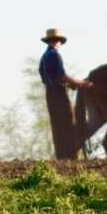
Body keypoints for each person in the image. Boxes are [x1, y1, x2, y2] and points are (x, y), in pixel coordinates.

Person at [38, 28, 90, 159]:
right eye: (59, 41)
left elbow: (48, 78)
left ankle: (62, 157)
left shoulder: (43, 57)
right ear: (58, 41)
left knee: (58, 126)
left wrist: (70, 84)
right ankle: (72, 157)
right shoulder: (55, 54)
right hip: (60, 94)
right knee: (68, 123)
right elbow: (62, 75)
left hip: (50, 94)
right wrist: (80, 83)